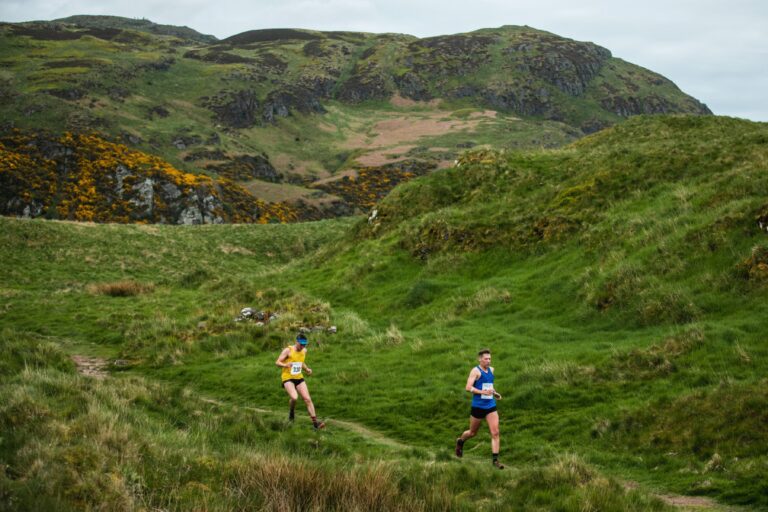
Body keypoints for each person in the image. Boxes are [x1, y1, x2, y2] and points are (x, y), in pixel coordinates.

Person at [455, 348, 504, 469]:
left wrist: (495, 393)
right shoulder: (475, 371)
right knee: (472, 433)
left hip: (490, 406)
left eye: (490, 359)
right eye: (486, 359)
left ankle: (495, 460)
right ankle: (460, 441)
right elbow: (468, 387)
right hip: (478, 407)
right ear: (480, 359)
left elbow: (489, 387)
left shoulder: (492, 370)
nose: (488, 361)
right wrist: (482, 392)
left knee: (495, 432)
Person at [275, 333, 325, 429]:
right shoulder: (288, 350)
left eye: (304, 344)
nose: (303, 346)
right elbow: (277, 362)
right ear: (296, 342)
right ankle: (291, 411)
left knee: (307, 399)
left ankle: (315, 424)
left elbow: (301, 362)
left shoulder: (304, 351)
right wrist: (285, 365)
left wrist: (307, 369)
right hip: (288, 377)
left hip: (298, 377)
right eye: (301, 344)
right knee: (294, 398)